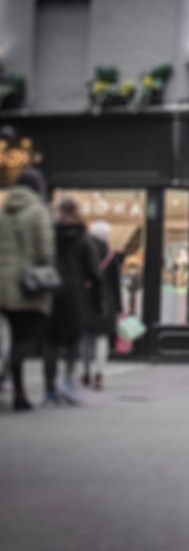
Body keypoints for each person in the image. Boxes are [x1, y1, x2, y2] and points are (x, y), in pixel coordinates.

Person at [0, 169, 55, 411]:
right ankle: (19, 394)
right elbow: (46, 251)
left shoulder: (2, 212)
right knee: (26, 339)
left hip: (2, 283)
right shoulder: (38, 211)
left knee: (7, 335)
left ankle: (8, 384)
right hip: (26, 285)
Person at [45, 197, 104, 405]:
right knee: (73, 341)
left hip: (51, 292)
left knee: (50, 343)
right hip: (76, 294)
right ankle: (69, 381)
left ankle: (49, 389)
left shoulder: (50, 234)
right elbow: (94, 274)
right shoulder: (84, 237)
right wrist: (98, 303)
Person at [85, 221, 123, 391]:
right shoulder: (111, 257)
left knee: (86, 338)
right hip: (107, 300)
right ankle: (99, 374)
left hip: (88, 297)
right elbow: (116, 284)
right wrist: (119, 308)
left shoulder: (86, 253)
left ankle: (86, 372)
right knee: (102, 339)